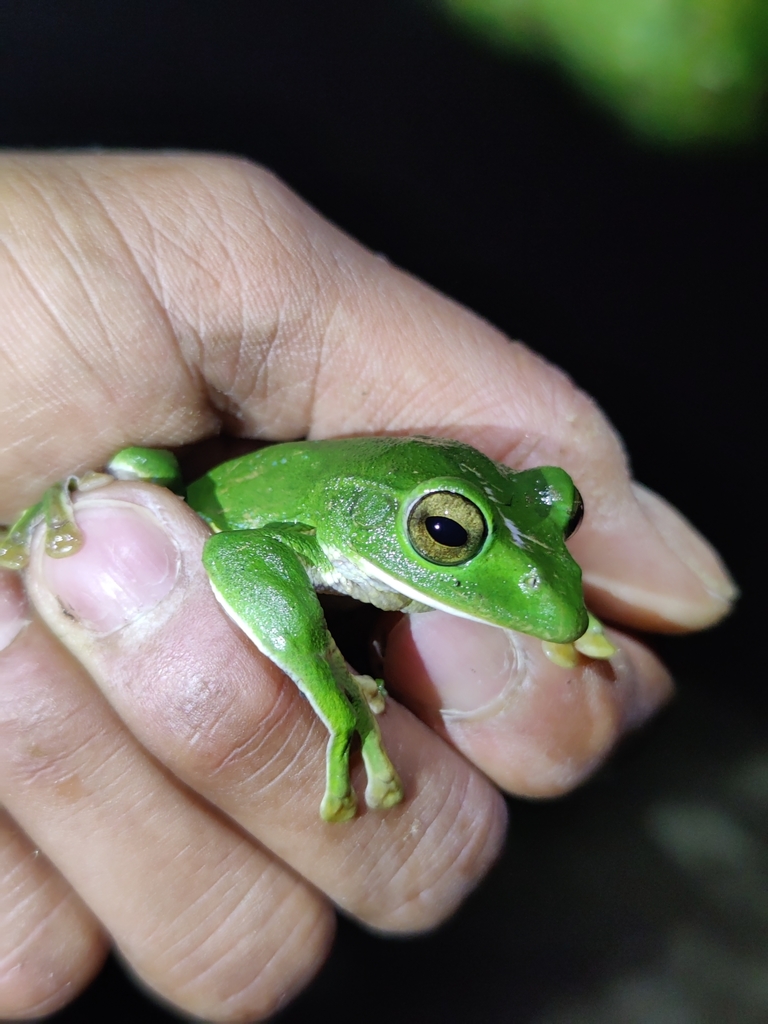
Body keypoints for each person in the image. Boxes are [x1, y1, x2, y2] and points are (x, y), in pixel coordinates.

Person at [0, 152, 736, 1021]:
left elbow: (521, 534)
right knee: (138, 469)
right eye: (448, 532)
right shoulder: (331, 528)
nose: (546, 552)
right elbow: (238, 560)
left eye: (558, 516)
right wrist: (334, 692)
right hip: (176, 510)